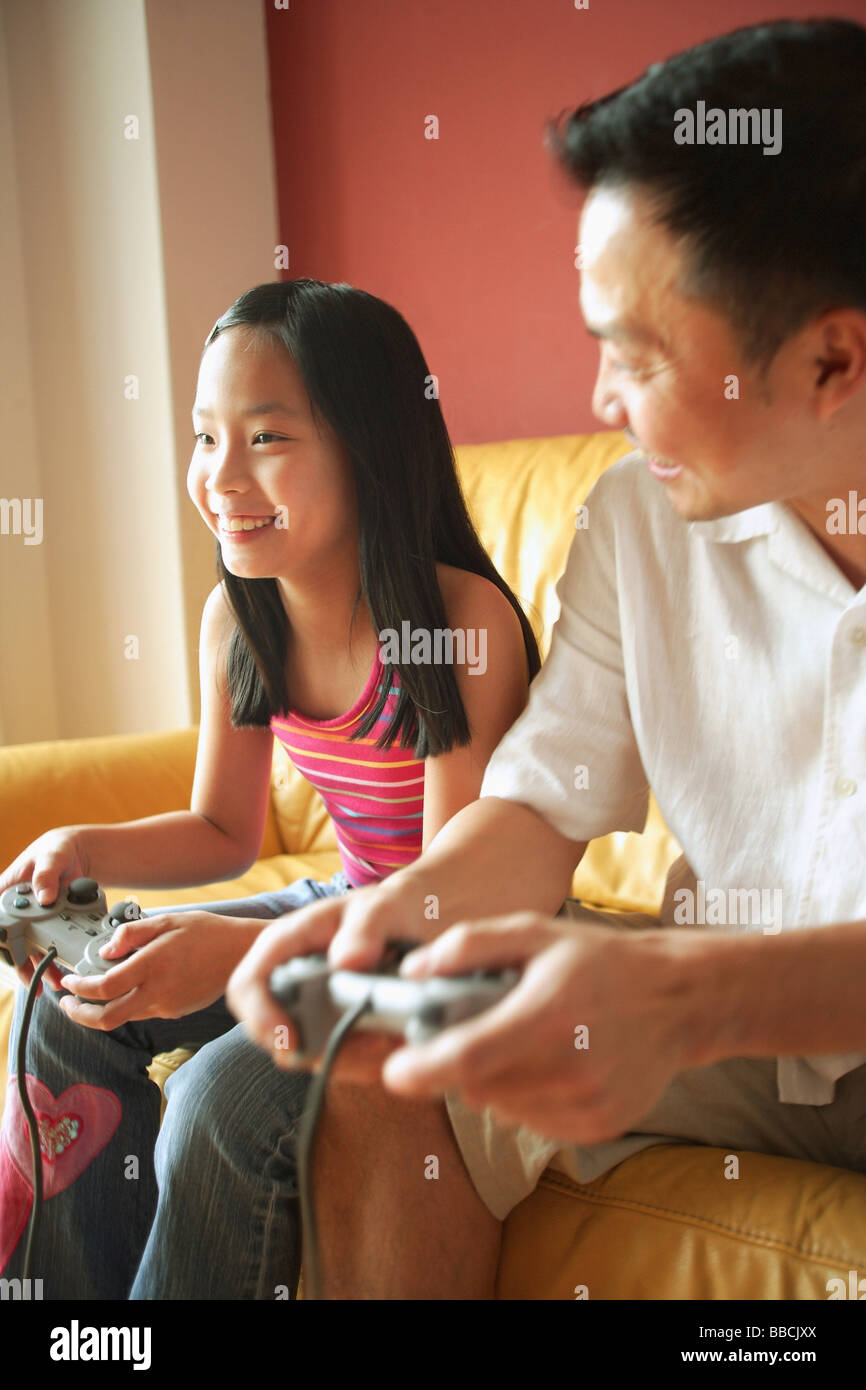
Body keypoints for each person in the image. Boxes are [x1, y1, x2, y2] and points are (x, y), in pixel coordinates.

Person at [228, 18, 866, 1299]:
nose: (598, 401)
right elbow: (531, 806)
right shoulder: (637, 519)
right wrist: (375, 928)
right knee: (390, 1062)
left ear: (830, 357)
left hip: (749, 1007)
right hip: (753, 1043)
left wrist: (688, 998)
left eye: (633, 352)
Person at [0, 278, 540, 1298]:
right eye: (206, 438)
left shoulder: (457, 625)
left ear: (368, 446)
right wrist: (89, 845)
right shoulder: (236, 620)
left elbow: (441, 915)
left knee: (215, 1096)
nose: (220, 477)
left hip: (460, 952)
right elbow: (220, 829)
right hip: (338, 907)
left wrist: (237, 951)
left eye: (267, 438)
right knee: (71, 1002)